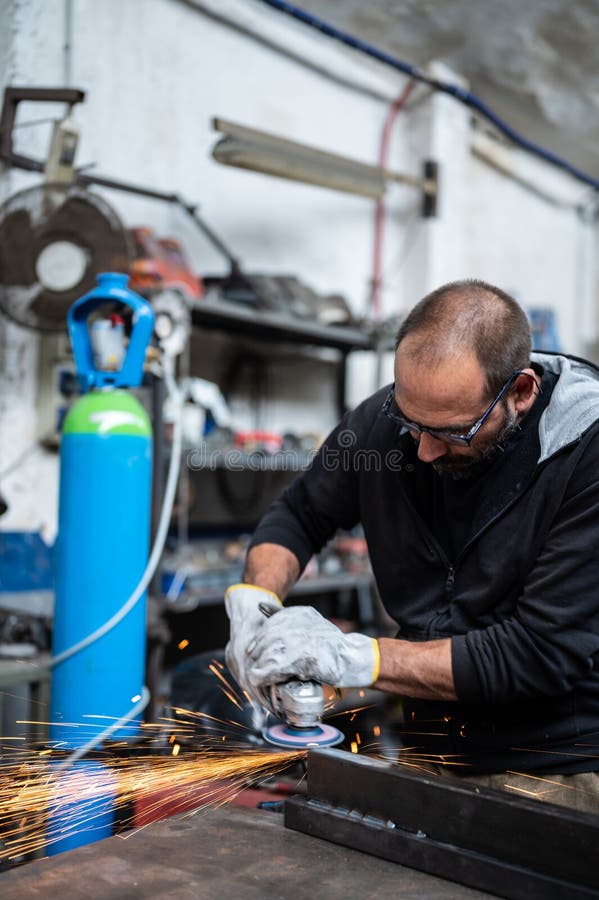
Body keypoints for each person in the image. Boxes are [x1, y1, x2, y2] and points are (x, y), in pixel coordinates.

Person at [225, 279, 599, 813]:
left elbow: (538, 654)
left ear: (520, 392)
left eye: (450, 434)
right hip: (431, 752)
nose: (422, 451)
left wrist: (356, 657)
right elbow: (300, 513)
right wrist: (255, 602)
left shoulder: (585, 450)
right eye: (410, 423)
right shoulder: (388, 420)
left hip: (558, 770)